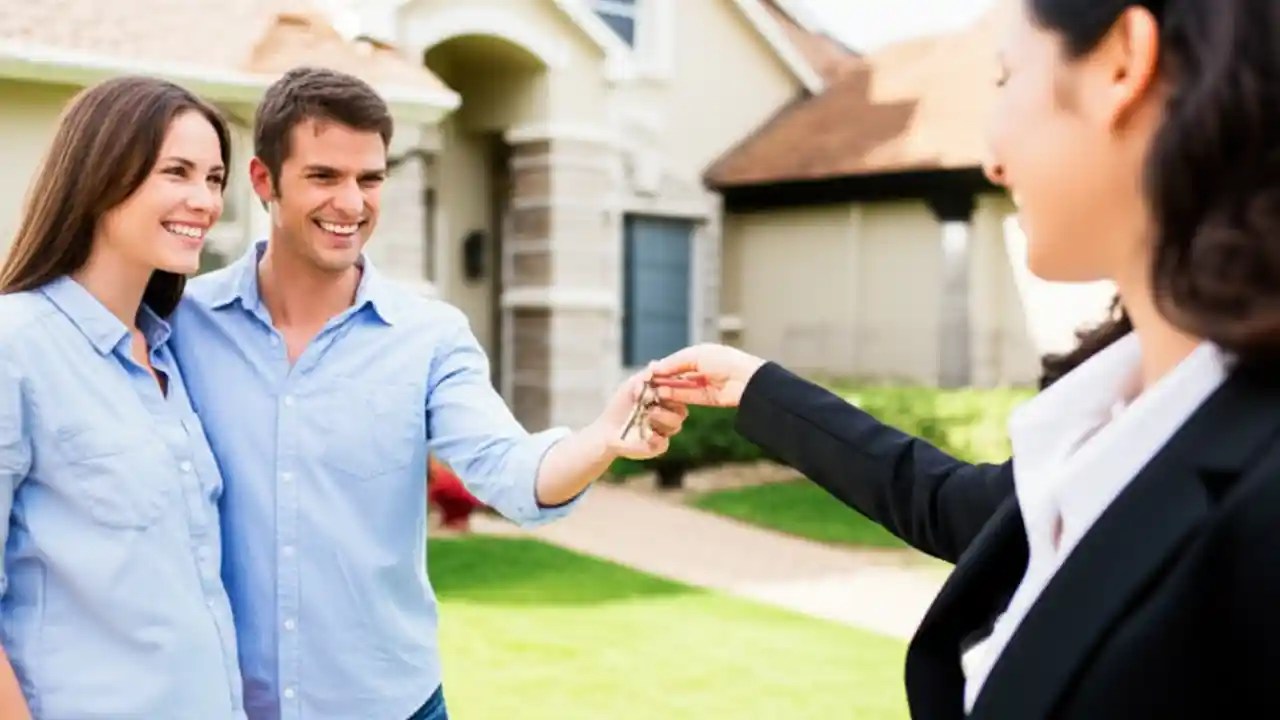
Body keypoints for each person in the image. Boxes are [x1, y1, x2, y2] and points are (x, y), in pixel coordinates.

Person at [651, 0, 1280, 718]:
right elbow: (955, 506)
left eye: (1008, 78)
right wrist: (756, 390)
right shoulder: (1113, 421)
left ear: (1121, 65)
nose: (993, 159)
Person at [169, 66, 686, 720]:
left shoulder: (430, 338)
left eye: (370, 179)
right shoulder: (181, 325)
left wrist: (602, 439)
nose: (351, 204)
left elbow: (511, 472)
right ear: (264, 180)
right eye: (324, 176)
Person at [0, 76, 244, 719]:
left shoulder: (170, 352)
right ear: (100, 173)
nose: (204, 201)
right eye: (177, 172)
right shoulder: (15, 346)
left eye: (214, 179)